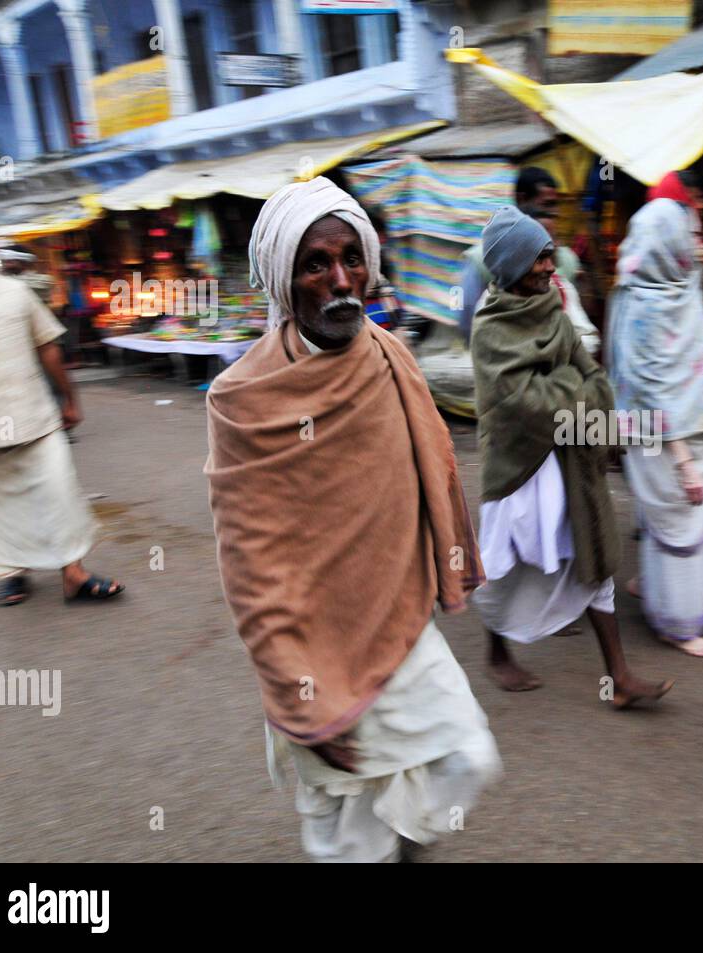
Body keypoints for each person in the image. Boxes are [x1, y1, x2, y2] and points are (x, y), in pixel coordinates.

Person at [205, 178, 500, 863]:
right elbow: (248, 558)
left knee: (467, 755)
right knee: (346, 829)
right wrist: (292, 689)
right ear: (286, 280)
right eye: (317, 264)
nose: (342, 281)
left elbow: (433, 474)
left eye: (352, 259)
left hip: (400, 620)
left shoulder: (390, 355)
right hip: (311, 642)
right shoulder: (244, 398)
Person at [469, 205, 673, 706]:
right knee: (504, 569)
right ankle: (496, 653)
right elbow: (526, 404)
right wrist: (572, 387)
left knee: (594, 559)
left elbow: (598, 382)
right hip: (517, 471)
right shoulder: (491, 331)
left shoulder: (554, 313)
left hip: (567, 464)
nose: (549, 266)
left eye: (548, 256)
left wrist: (566, 389)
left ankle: (620, 678)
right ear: (514, 265)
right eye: (539, 258)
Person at [0, 216, 122, 607]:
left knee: (60, 495)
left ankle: (74, 576)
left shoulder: (15, 293)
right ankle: (13, 574)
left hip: (35, 415)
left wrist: (70, 399)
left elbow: (47, 345)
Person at [609, 194, 703, 657]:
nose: (693, 243)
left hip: (694, 426)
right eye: (686, 235)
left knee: (667, 522)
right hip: (667, 439)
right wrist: (683, 463)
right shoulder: (645, 304)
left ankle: (652, 584)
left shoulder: (670, 283)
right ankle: (676, 624)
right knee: (681, 517)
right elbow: (652, 391)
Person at [457, 167, 580, 344]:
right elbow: (464, 308)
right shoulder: (479, 258)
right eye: (547, 204)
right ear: (522, 199)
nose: (556, 213)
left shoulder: (567, 260)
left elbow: (575, 318)